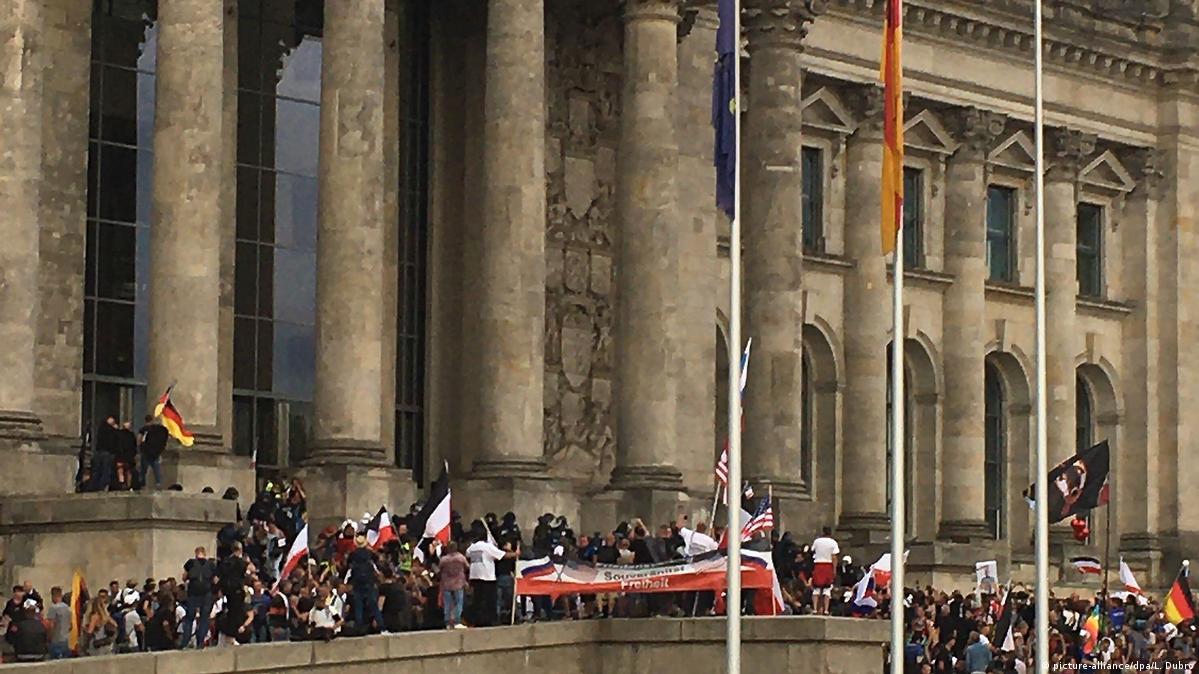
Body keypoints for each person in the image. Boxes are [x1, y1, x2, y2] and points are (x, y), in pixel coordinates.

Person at [465, 526, 518, 627]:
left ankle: (476, 620)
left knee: (477, 600)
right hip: (487, 577)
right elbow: (502, 555)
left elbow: (467, 554)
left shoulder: (472, 547)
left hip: (475, 576)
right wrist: (515, 553)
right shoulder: (487, 547)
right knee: (490, 601)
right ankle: (489, 620)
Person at [346, 535, 384, 633]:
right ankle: (380, 625)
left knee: (359, 605)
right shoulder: (369, 554)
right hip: (369, 582)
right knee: (373, 605)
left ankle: (359, 626)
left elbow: (348, 565)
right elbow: (378, 558)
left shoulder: (353, 554)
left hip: (357, 583)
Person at [180, 546, 216, 648]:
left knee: (189, 617)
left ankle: (185, 641)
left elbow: (184, 577)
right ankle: (200, 642)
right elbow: (215, 580)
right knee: (204, 618)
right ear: (204, 553)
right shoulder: (211, 564)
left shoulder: (190, 563)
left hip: (193, 593)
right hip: (206, 594)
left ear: (196, 553)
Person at [437, 540, 469, 629]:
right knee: (459, 603)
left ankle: (448, 623)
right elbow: (467, 567)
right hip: (458, 583)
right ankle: (457, 621)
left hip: (446, 584)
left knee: (447, 604)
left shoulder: (444, 559)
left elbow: (439, 569)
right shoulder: (461, 558)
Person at [810, 526, 839, 616]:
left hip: (818, 564)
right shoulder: (833, 543)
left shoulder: (817, 541)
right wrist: (834, 569)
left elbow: (812, 551)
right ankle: (826, 610)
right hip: (828, 565)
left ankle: (815, 609)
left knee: (816, 588)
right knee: (827, 589)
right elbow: (834, 557)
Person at [137, 415, 168, 490]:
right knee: (156, 469)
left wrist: (139, 449)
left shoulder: (144, 429)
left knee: (143, 469)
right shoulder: (158, 430)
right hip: (155, 452)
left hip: (145, 451)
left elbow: (139, 439)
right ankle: (158, 483)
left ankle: (141, 484)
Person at [45, 586, 71, 660]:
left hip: (56, 641)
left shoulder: (53, 608)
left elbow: (51, 625)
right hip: (65, 640)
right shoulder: (68, 608)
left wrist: (48, 638)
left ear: (53, 596)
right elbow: (71, 625)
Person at [115, 420, 138, 489]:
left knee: (120, 469)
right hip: (129, 456)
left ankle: (122, 482)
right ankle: (128, 484)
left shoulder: (118, 434)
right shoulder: (131, 435)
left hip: (120, 455)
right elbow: (134, 446)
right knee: (128, 470)